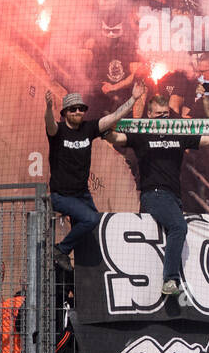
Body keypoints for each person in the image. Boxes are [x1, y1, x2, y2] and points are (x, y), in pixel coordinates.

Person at [103, 94, 209, 296]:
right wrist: (108, 128)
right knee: (178, 226)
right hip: (154, 194)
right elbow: (116, 137)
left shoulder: (178, 134)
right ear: (149, 115)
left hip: (174, 197)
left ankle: (149, 290)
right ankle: (170, 280)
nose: (163, 118)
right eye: (158, 114)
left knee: (159, 237)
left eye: (166, 114)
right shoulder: (142, 134)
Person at [46, 85, 143, 270]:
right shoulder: (58, 132)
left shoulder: (88, 128)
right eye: (73, 109)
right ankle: (60, 249)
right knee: (91, 219)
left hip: (82, 194)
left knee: (96, 225)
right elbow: (50, 125)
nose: (78, 112)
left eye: (81, 109)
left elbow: (113, 117)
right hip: (61, 195)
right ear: (65, 112)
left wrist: (133, 99)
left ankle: (77, 269)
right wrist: (48, 107)